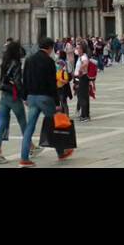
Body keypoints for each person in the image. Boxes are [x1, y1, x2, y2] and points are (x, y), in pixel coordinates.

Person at [20, 38, 73, 167]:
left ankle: (24, 158)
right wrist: (56, 102)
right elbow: (52, 83)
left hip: (32, 97)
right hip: (45, 98)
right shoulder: (49, 61)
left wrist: (25, 97)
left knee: (29, 128)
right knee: (54, 125)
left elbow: (25, 79)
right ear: (49, 48)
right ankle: (61, 153)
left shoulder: (29, 59)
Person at [0, 41, 40, 165]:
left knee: (2, 123)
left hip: (3, 96)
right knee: (24, 123)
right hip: (13, 97)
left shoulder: (5, 63)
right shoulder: (16, 63)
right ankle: (31, 148)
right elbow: (18, 82)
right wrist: (24, 97)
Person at [73, 41, 92, 122]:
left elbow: (86, 63)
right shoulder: (81, 56)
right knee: (82, 96)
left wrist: (81, 69)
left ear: (82, 49)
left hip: (82, 78)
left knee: (82, 96)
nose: (77, 49)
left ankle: (84, 115)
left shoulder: (83, 57)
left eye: (78, 48)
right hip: (80, 78)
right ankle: (85, 114)